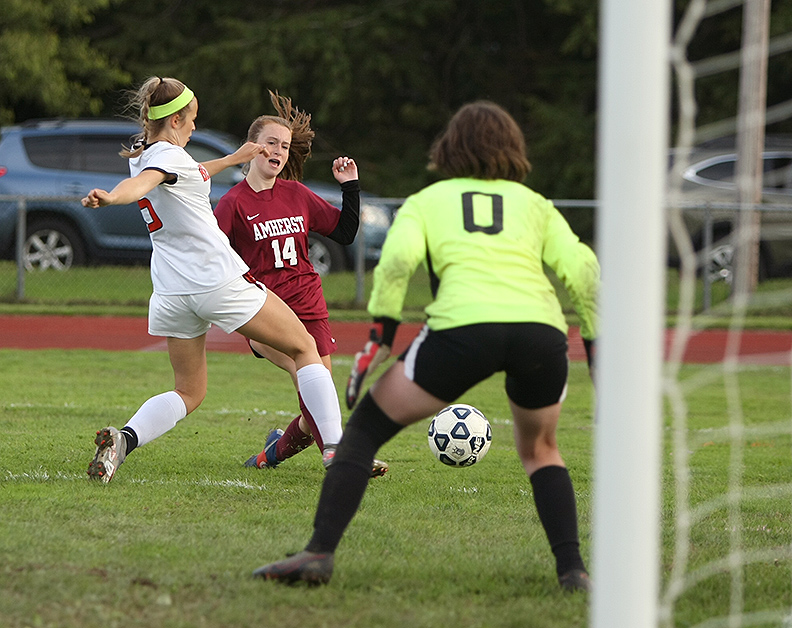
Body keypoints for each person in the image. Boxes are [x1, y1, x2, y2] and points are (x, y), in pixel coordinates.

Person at [251, 100, 600, 593]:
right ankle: (573, 572)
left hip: (463, 329)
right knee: (543, 450)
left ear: (449, 148)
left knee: (364, 432)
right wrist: (595, 345)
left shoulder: (430, 200)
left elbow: (395, 266)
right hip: (540, 332)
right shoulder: (535, 205)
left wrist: (380, 341)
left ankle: (318, 554)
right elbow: (584, 273)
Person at [81, 77, 344, 484]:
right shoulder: (163, 159)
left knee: (189, 391)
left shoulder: (150, 154)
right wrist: (113, 197)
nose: (194, 128)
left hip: (172, 291)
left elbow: (190, 173)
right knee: (305, 346)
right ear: (174, 122)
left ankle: (124, 439)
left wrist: (234, 157)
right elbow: (142, 184)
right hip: (215, 280)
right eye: (192, 120)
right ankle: (337, 450)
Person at [215, 92, 387, 477]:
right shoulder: (232, 203)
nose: (278, 151)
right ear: (252, 148)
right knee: (311, 379)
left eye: (285, 146)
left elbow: (344, 233)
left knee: (314, 408)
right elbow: (212, 254)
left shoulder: (296, 194)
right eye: (271, 142)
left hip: (311, 306)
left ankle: (268, 456)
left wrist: (351, 186)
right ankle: (339, 452)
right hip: (266, 311)